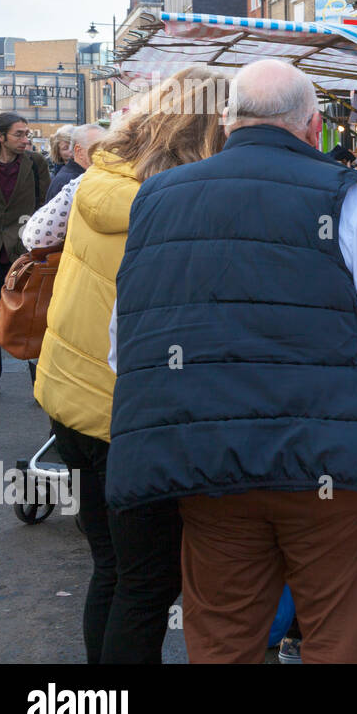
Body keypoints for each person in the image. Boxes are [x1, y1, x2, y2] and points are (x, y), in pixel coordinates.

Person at [106, 58, 357, 664]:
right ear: (312, 126)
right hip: (331, 470)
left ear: (229, 121)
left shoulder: (155, 200)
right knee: (342, 636)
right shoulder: (344, 197)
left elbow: (126, 344)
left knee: (224, 635)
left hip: (209, 467)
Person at [30, 67, 228, 664]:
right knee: (148, 582)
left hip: (69, 402)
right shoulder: (179, 204)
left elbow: (38, 237)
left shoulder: (97, 178)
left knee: (112, 569)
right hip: (129, 417)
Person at [0, 113, 51, 400]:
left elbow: (46, 204)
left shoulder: (36, 164)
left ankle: (41, 385)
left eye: (27, 134)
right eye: (19, 134)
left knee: (33, 317)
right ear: (1, 136)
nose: (25, 140)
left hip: (24, 252)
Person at [45, 124, 106, 202]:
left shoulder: (86, 174)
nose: (103, 152)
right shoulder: (67, 182)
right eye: (96, 147)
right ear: (78, 150)